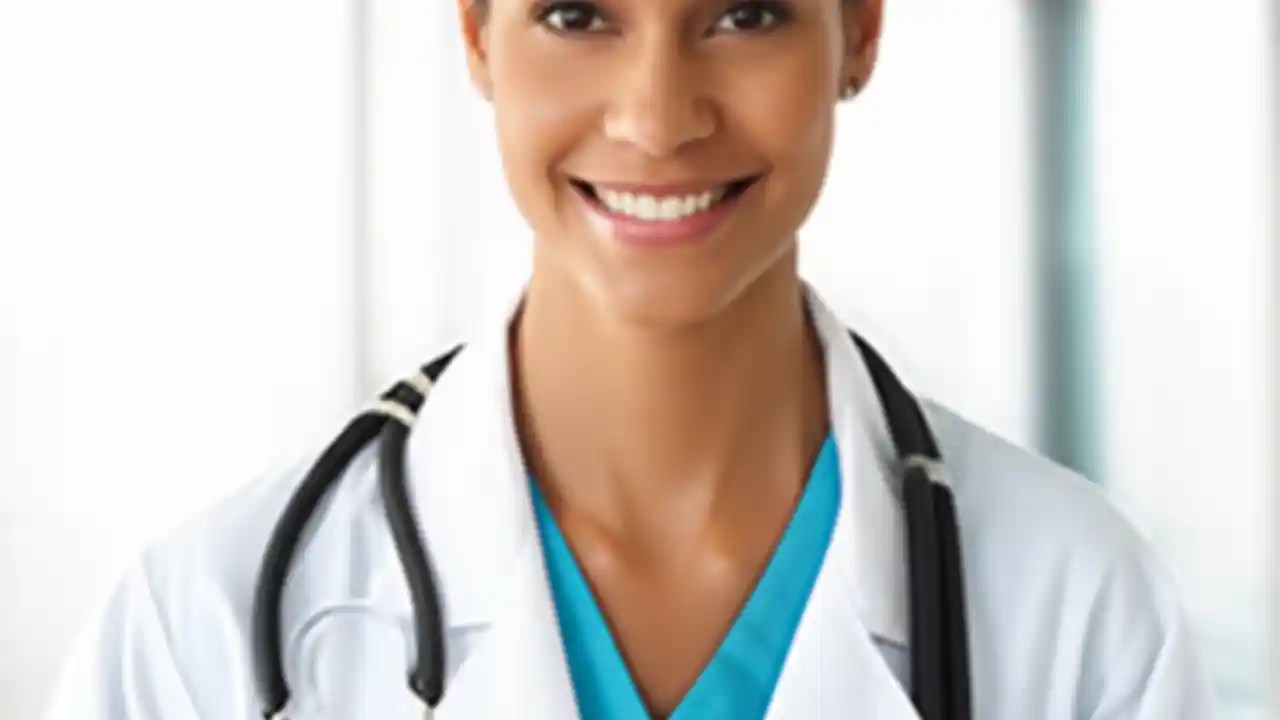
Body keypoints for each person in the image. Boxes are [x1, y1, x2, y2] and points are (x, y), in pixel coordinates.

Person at [45, 0, 1216, 717]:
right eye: (574, 13)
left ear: (858, 29)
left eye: (745, 11)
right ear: (475, 32)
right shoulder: (203, 632)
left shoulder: (1075, 611)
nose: (657, 117)